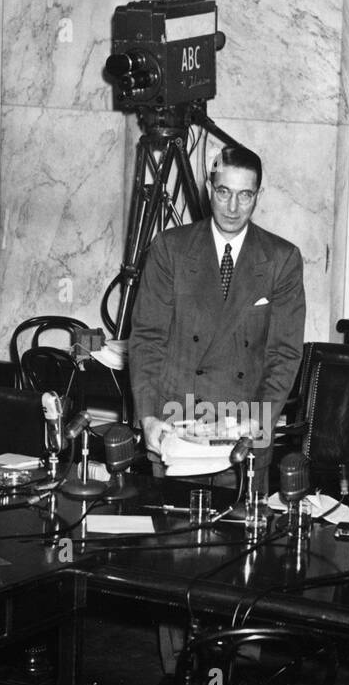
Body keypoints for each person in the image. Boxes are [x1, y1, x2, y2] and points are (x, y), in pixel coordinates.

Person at [129, 144, 306, 481]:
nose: (233, 207)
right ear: (209, 189)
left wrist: (260, 419)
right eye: (224, 192)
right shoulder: (170, 249)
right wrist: (148, 416)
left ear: (258, 195)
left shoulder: (281, 259)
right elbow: (147, 340)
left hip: (242, 429)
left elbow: (284, 353)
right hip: (176, 424)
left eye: (245, 195)